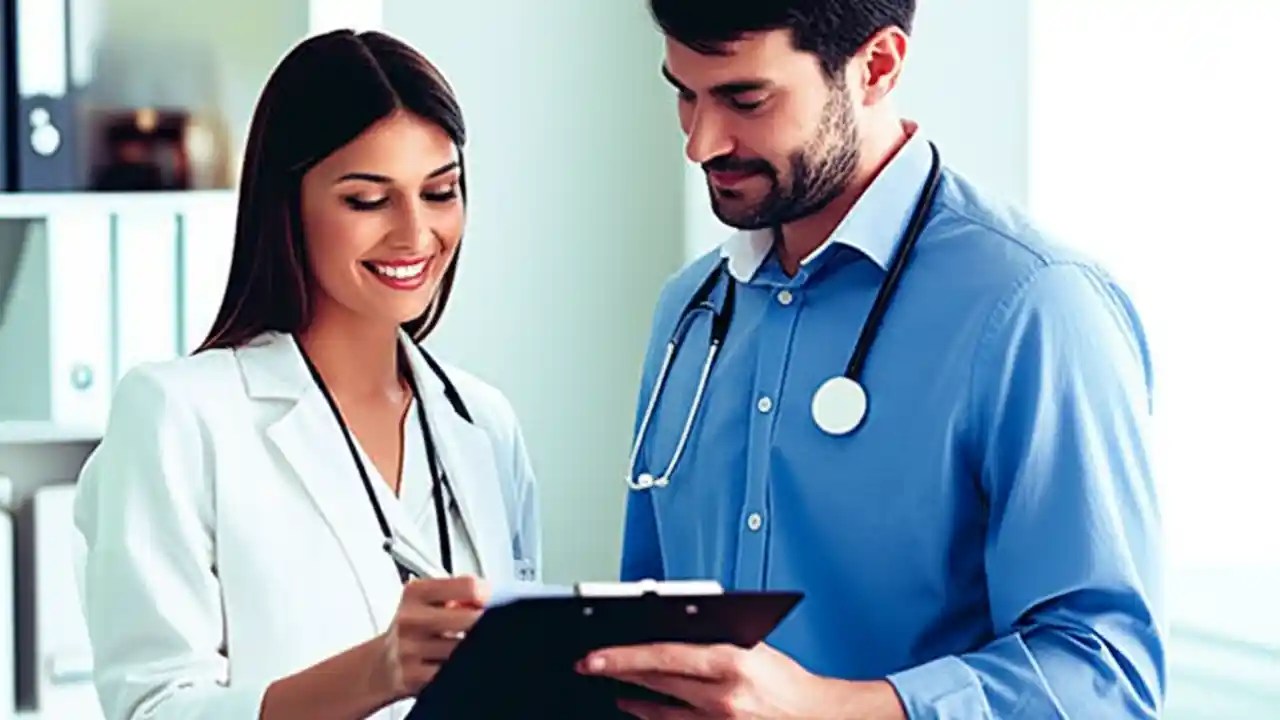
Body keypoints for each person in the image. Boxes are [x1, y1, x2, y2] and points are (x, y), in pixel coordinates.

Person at [577, 2, 1164, 718]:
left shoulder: (1034, 307)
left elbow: (1103, 674)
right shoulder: (691, 309)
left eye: (745, 99)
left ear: (876, 66)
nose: (700, 143)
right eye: (684, 93)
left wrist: (832, 709)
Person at [71, 29, 540, 720]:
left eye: (439, 192)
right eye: (367, 200)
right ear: (286, 205)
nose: (416, 234)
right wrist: (375, 672)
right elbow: (152, 709)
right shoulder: (178, 415)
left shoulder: (483, 423)